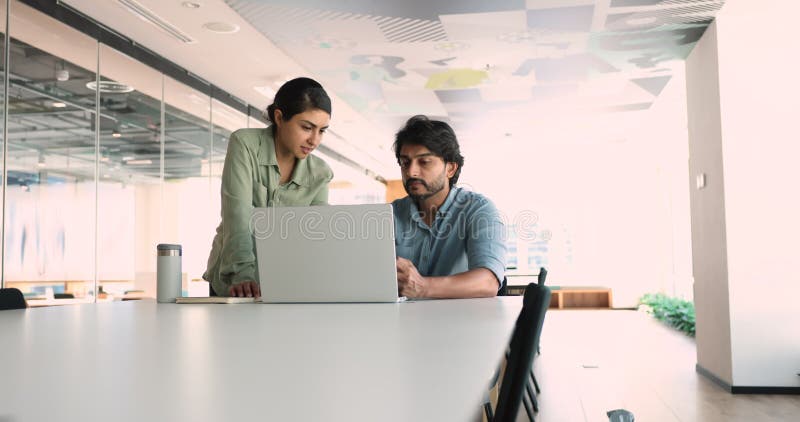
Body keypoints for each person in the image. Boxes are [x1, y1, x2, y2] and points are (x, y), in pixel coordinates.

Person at [203, 77, 333, 297]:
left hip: (283, 285)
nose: (314, 140)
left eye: (322, 130)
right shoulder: (245, 144)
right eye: (306, 127)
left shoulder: (320, 173)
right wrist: (243, 275)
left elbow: (315, 239)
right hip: (234, 281)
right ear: (279, 117)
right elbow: (237, 216)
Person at [391, 115, 506, 299]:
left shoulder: (478, 210)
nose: (411, 171)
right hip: (401, 323)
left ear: (450, 168)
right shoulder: (389, 214)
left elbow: (488, 282)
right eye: (405, 162)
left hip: (461, 323)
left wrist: (423, 287)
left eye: (424, 162)